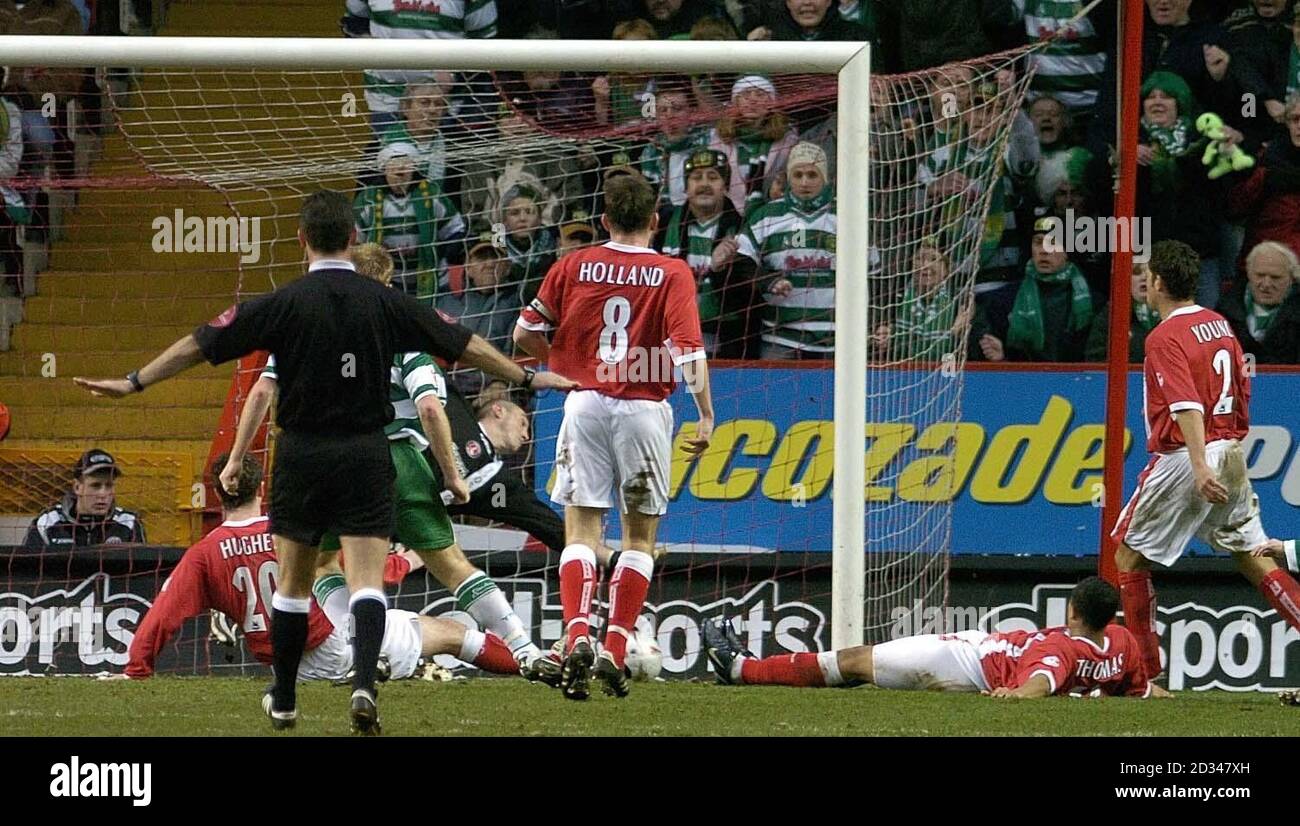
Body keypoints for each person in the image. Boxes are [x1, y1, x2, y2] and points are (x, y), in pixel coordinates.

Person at [73, 189, 576, 735]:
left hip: (301, 454)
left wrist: (134, 382)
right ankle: (364, 683)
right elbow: (464, 342)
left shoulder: (284, 302)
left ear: (301, 240)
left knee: (296, 583)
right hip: (367, 453)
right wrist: (526, 376)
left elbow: (201, 342)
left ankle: (285, 697)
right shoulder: (386, 303)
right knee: (366, 583)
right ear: (354, 237)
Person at [222, 242, 560, 685]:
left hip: (321, 458)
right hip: (397, 460)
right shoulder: (400, 333)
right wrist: (453, 474)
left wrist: (235, 457)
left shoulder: (304, 327)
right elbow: (431, 408)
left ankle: (354, 652)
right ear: (384, 285)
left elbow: (263, 392)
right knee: (452, 565)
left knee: (323, 566)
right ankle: (525, 649)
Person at [514, 171, 714, 699]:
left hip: (584, 404)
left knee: (581, 531)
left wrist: (562, 367)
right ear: (655, 219)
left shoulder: (573, 264)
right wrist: (707, 414)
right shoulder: (673, 272)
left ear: (603, 220)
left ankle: (577, 632)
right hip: (644, 410)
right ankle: (616, 646)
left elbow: (523, 332)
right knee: (639, 538)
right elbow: (687, 351)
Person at [126, 454, 531, 690]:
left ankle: (370, 662)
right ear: (262, 488)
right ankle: (538, 667)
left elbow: (163, 615)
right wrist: (405, 561)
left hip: (285, 664)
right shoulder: (289, 531)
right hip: (329, 650)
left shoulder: (203, 553)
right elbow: (359, 566)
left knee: (357, 607)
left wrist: (136, 670)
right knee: (451, 633)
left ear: (217, 495)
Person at [1111, 240, 1300, 681]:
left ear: (1157, 282)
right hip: (1230, 446)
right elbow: (1241, 390)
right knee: (1255, 556)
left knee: (1127, 558)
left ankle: (1143, 676)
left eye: (1149, 277)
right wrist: (1227, 446)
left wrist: (1199, 465)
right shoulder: (1219, 324)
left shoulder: (1164, 337)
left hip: (1187, 455)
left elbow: (1186, 404)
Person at [704, 576, 1167, 699]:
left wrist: (1018, 695)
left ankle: (739, 669)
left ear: (1071, 610)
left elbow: (1043, 679)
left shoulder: (1058, 645)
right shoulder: (1122, 643)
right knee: (858, 669)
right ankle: (745, 667)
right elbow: (1139, 688)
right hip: (976, 652)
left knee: (851, 661)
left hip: (966, 663)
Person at [726, 141, 839, 359]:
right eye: (797, 175)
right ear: (788, 178)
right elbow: (740, 260)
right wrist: (768, 280)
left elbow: (872, 273)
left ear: (825, 177)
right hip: (780, 340)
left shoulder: (845, 215)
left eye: (812, 175)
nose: (804, 182)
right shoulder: (767, 215)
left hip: (836, 342)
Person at [655, 148, 747, 356]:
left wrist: (718, 270)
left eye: (713, 177)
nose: (704, 184)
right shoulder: (664, 223)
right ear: (686, 187)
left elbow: (745, 299)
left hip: (725, 338)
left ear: (725, 186)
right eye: (697, 178)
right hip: (670, 333)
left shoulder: (741, 227)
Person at [23, 449, 145, 548]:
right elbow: (28, 572)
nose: (103, 494)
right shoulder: (48, 522)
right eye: (95, 486)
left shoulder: (128, 522)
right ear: (77, 487)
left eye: (109, 486)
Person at [1216, 240, 1300, 364]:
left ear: (1291, 279)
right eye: (1260, 276)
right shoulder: (1224, 312)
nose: (1266, 284)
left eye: (1275, 277)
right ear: (1249, 274)